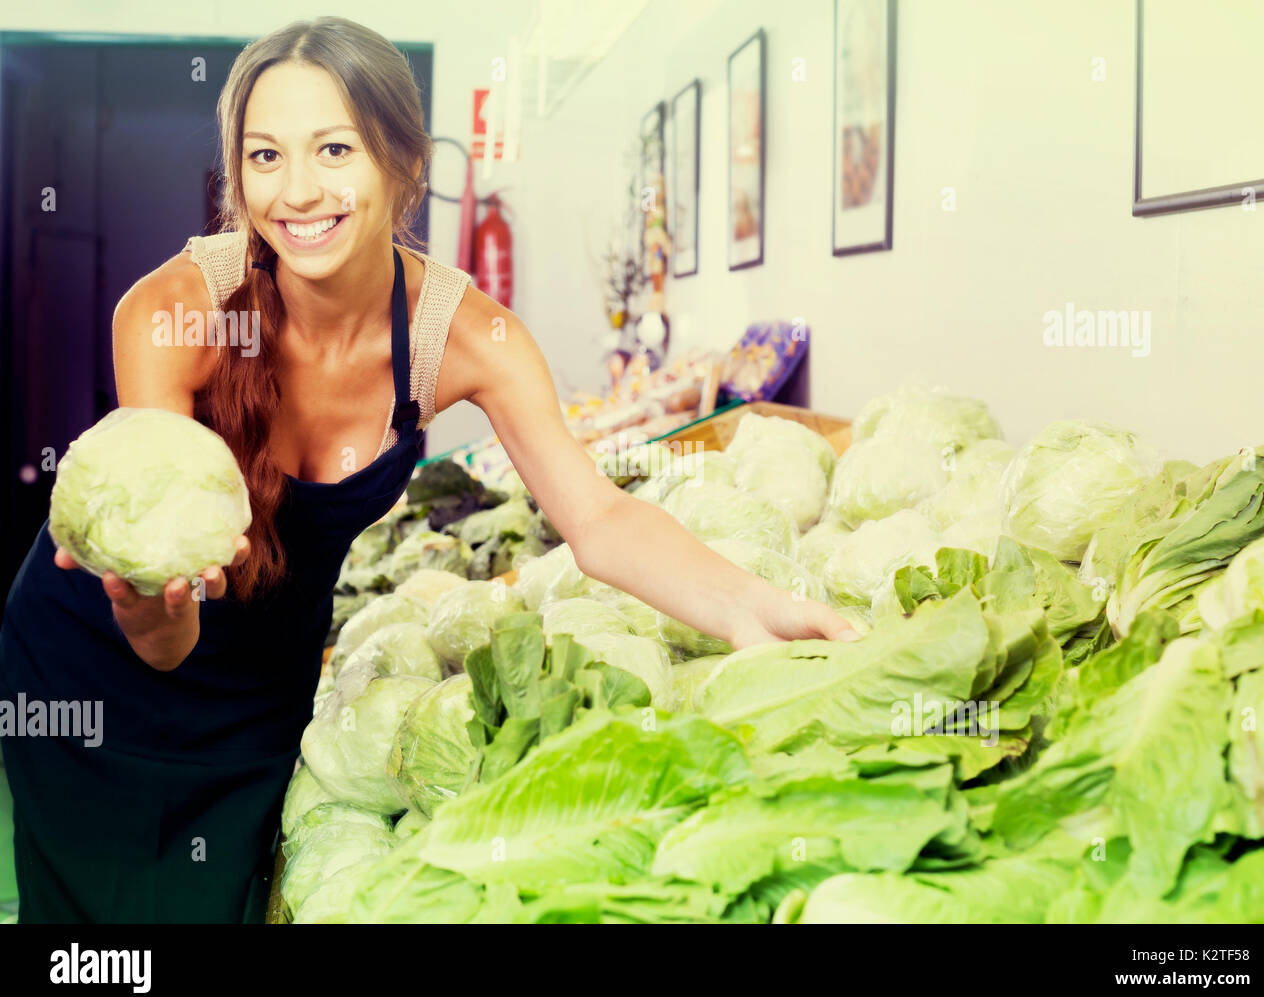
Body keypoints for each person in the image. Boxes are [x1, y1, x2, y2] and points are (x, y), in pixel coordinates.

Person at [0, 16, 859, 925]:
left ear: (404, 164)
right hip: (102, 655)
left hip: (260, 689)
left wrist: (753, 608)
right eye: (264, 157)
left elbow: (598, 519)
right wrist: (145, 610)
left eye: (335, 149)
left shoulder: (465, 335)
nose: (297, 191)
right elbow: (164, 624)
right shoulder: (170, 316)